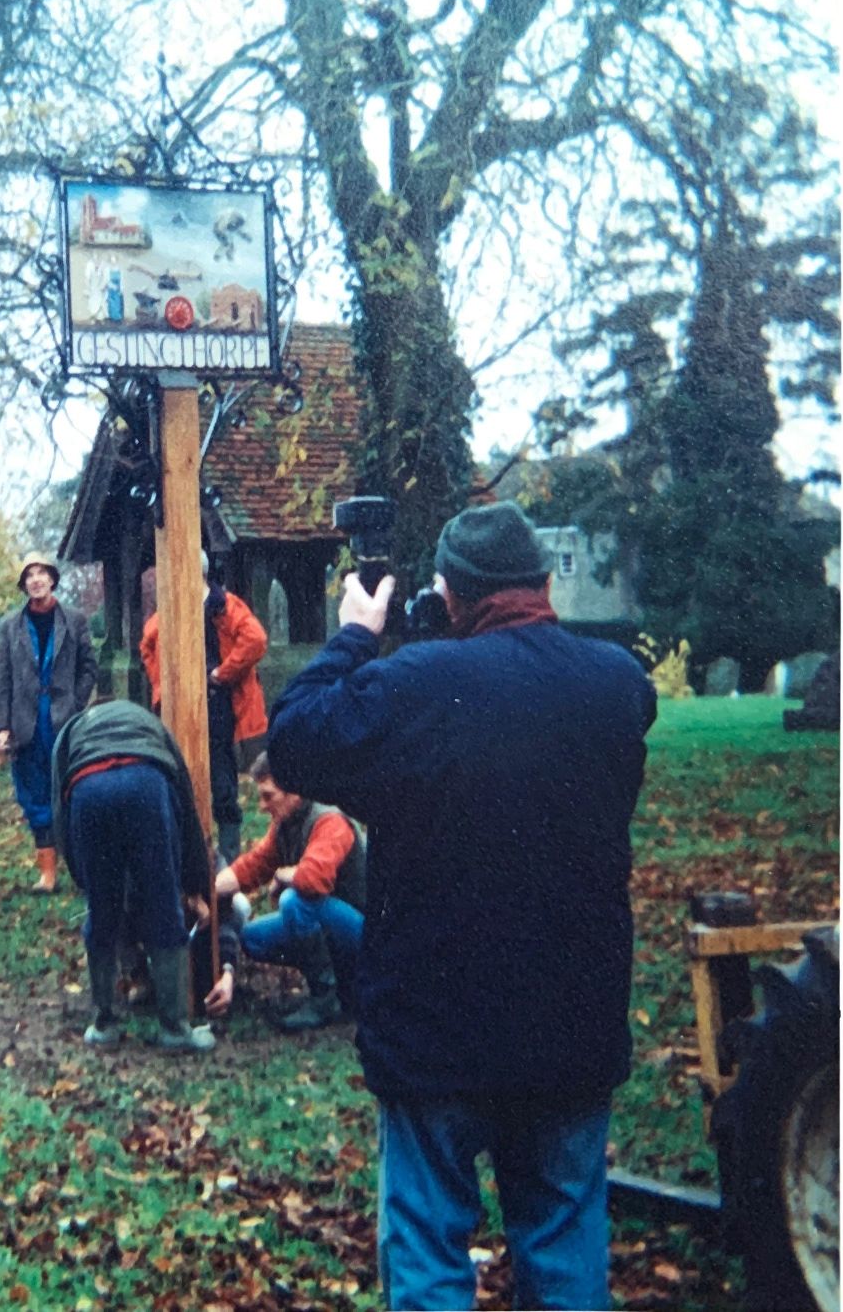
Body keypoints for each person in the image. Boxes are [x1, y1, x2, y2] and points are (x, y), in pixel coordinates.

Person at [267, 501, 657, 1311]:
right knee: (564, 1242)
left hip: (436, 1022)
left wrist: (354, 632)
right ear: (544, 580)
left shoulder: (413, 687)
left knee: (431, 1249)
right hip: (571, 1018)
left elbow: (296, 737)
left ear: (448, 593)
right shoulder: (618, 686)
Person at [50, 699, 215, 1053]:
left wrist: (85, 879)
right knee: (162, 901)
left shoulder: (69, 733)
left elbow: (60, 814)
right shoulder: (154, 729)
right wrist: (194, 885)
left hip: (88, 787)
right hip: (146, 781)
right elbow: (185, 807)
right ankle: (175, 1028)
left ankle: (105, 1024)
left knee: (102, 910)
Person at [207, 750, 365, 1032]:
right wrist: (207, 891)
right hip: (333, 922)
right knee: (253, 938)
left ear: (294, 791)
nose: (263, 806)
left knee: (294, 902)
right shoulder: (286, 823)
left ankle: (326, 998)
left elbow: (314, 880)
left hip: (367, 932)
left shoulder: (330, 820)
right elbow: (252, 866)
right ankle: (341, 983)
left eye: (269, 796)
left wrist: (283, 875)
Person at [140, 551, 267, 862]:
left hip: (218, 706)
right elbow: (149, 648)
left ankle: (230, 856)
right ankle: (190, 853)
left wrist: (222, 673)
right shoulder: (167, 613)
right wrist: (165, 690)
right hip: (181, 709)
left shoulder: (226, 606)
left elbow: (255, 640)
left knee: (223, 783)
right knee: (181, 779)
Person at [0, 552, 97, 892]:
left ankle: (82, 869)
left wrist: (75, 702)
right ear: (23, 584)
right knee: (34, 795)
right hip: (26, 722)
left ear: (52, 579)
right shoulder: (10, 625)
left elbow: (88, 667)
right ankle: (47, 874)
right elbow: (3, 679)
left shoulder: (75, 619)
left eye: (41, 573)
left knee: (72, 789)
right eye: (29, 575)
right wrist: (2, 726)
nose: (36, 580)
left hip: (64, 719)